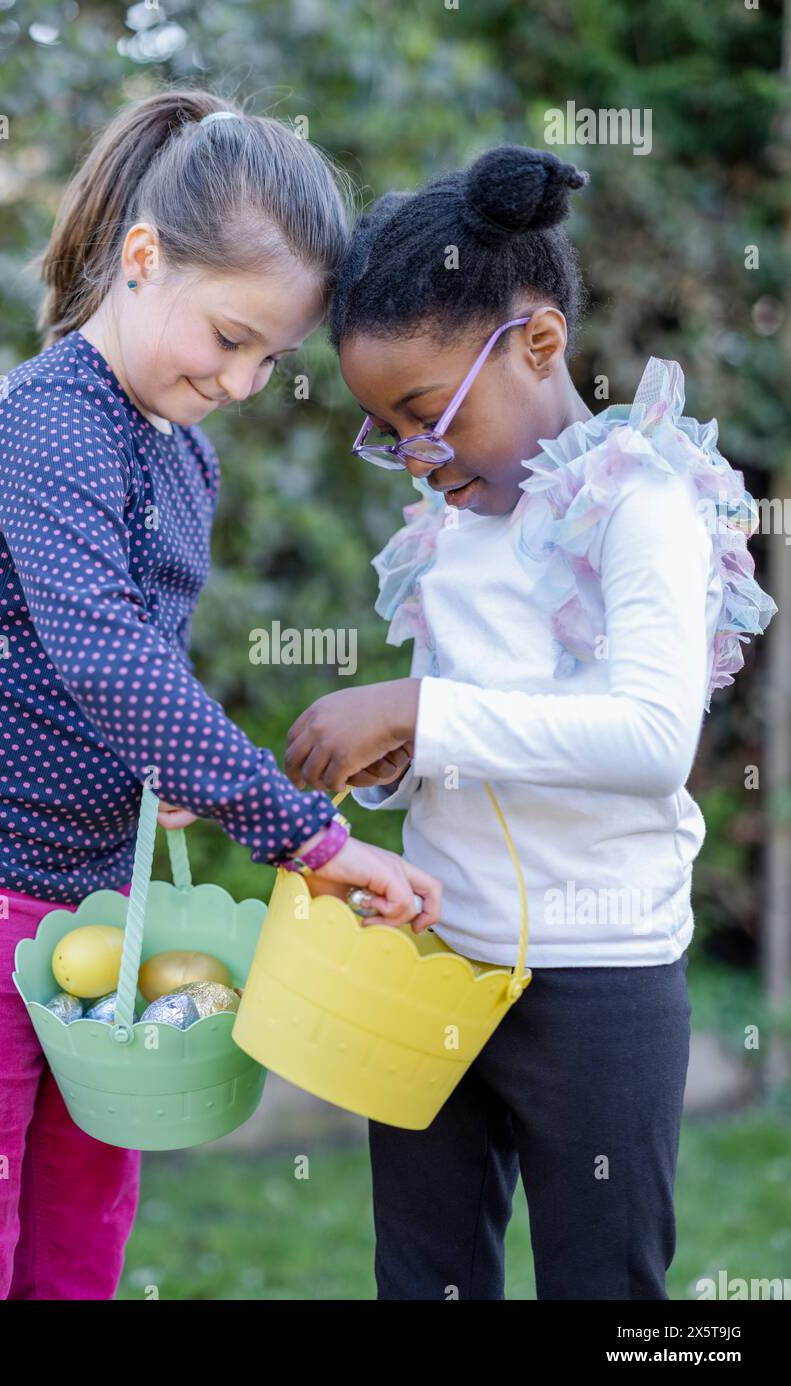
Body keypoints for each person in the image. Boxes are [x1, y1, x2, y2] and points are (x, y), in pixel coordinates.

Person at [0, 88, 441, 1301]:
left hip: (95, 900)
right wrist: (304, 836)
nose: (241, 379)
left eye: (271, 359)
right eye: (229, 338)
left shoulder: (183, 452)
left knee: (79, 1248)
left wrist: (156, 770)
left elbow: (139, 680)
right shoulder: (48, 425)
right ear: (140, 259)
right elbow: (106, 655)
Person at [284, 143, 777, 1299]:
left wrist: (424, 710)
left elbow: (650, 736)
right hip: (436, 965)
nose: (414, 451)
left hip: (597, 984)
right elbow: (463, 743)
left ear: (540, 343)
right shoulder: (447, 527)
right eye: (385, 429)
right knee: (424, 1278)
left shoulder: (640, 503)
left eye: (424, 412)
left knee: (602, 1286)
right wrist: (398, 765)